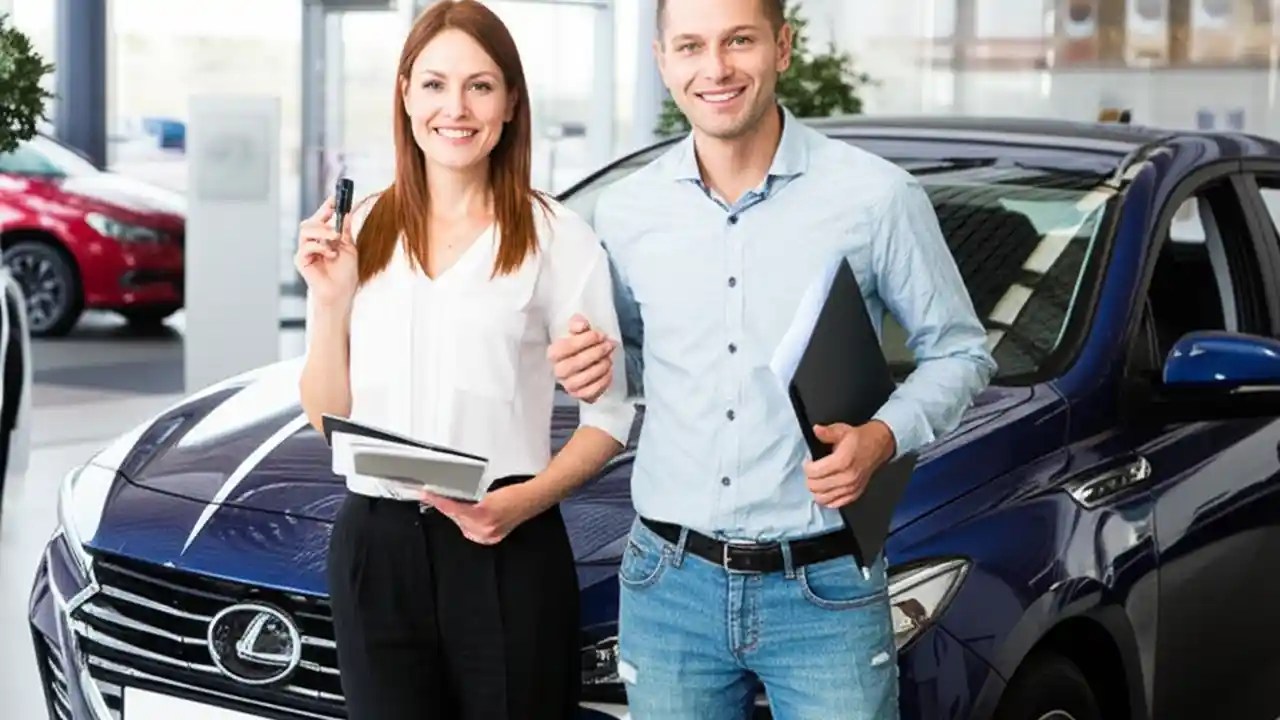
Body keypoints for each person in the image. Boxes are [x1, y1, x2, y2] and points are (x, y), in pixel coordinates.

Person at [549, 0, 997, 718]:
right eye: (690, 46)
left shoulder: (876, 197)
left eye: (739, 41)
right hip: (668, 587)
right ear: (664, 62)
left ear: (782, 47)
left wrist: (881, 438)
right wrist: (584, 364)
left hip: (823, 589)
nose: (716, 67)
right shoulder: (628, 213)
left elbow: (960, 353)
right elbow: (626, 357)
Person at [295, 2, 634, 718]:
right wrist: (329, 302)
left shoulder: (557, 237)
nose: (457, 107)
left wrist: (524, 502)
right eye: (436, 84)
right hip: (375, 546)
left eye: (481, 86)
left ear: (511, 103)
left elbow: (610, 417)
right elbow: (329, 420)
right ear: (405, 94)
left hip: (506, 542)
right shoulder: (359, 230)